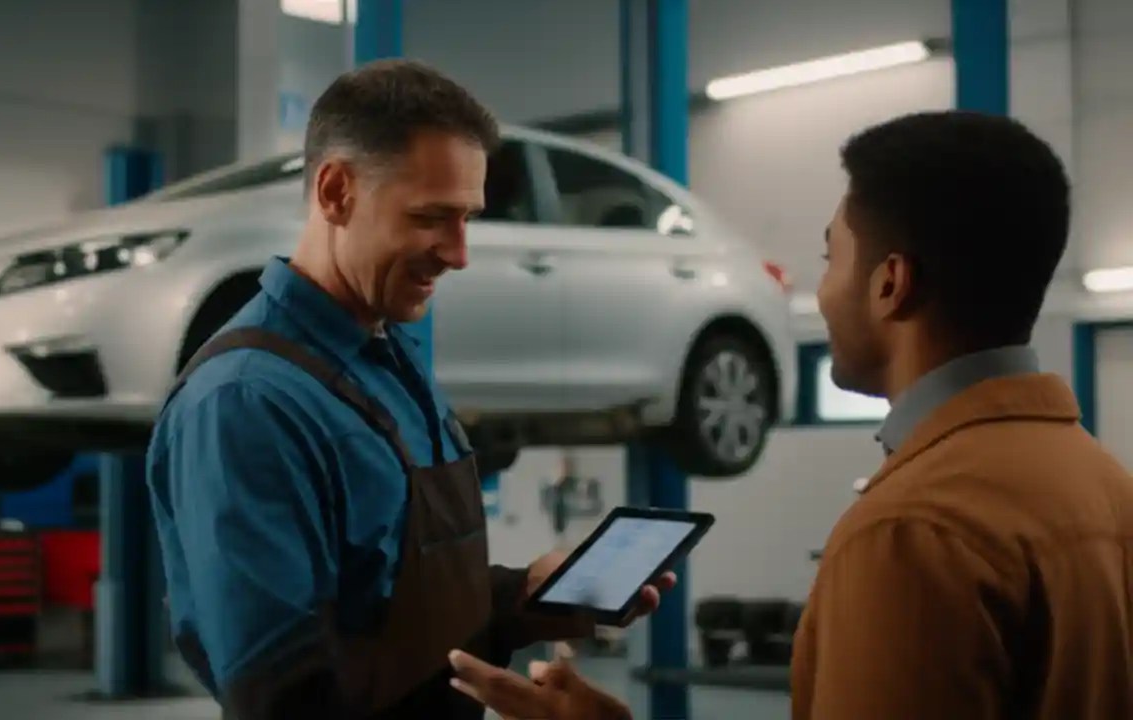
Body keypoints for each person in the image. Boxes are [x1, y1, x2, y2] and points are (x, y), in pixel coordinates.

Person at [449, 110, 1133, 719]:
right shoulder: (1104, 484)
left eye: (832, 258)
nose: (819, 291)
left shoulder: (912, 531)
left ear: (890, 284)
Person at [144, 58, 674, 720]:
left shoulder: (389, 357)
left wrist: (523, 599)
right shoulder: (247, 401)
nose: (459, 254)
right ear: (336, 191)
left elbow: (386, 602)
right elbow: (281, 696)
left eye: (468, 218)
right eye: (431, 217)